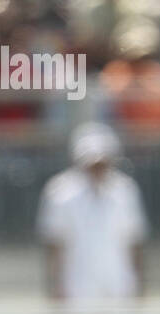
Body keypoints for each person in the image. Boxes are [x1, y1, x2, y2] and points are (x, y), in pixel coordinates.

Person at [36, 123, 148, 303]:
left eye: (102, 163)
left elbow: (134, 240)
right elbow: (54, 242)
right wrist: (56, 285)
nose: (98, 169)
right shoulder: (60, 192)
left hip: (118, 285)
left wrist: (138, 284)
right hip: (77, 287)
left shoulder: (125, 190)